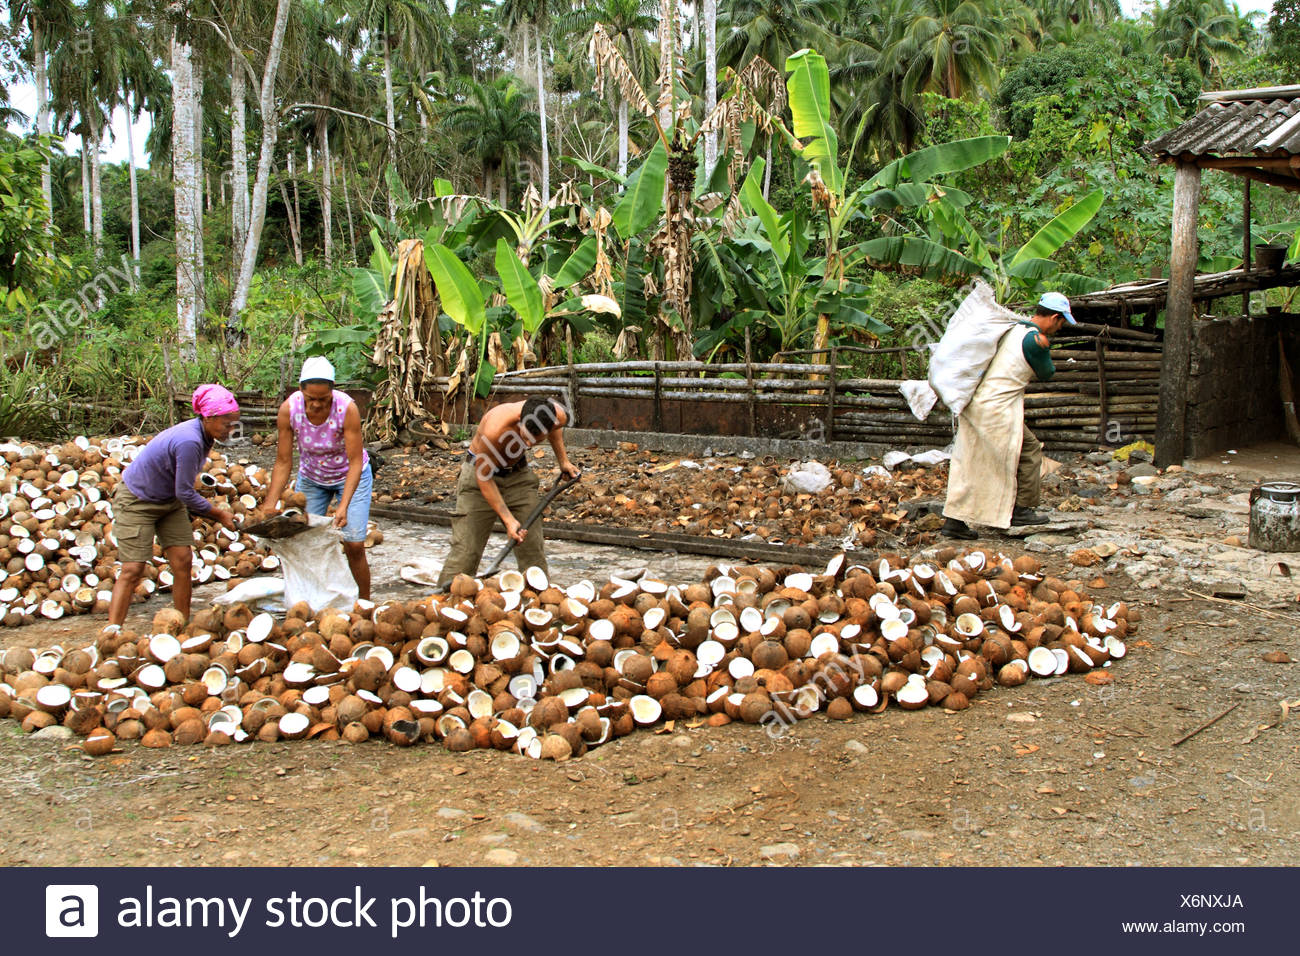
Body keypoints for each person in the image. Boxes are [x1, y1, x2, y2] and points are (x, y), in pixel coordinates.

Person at [941, 291, 1075, 540]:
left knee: (970, 461)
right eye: (1062, 321)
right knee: (1026, 451)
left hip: (979, 403)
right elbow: (1047, 373)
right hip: (997, 409)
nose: (1061, 327)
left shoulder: (1014, 330)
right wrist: (1046, 349)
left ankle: (955, 521)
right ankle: (1021, 510)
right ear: (1055, 317)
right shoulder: (1034, 341)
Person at [106, 384, 240, 626]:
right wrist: (220, 514)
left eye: (234, 424)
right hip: (138, 500)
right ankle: (111, 632)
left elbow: (181, 489)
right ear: (208, 418)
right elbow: (186, 492)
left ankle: (181, 623)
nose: (231, 430)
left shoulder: (206, 434)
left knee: (182, 560)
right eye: (227, 424)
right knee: (133, 569)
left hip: (169, 501)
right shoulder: (189, 440)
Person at [437, 396, 581, 586]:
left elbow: (555, 430)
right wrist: (508, 519)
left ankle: (537, 597)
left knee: (532, 544)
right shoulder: (495, 430)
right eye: (525, 437)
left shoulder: (557, 416)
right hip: (480, 477)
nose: (528, 445)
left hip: (518, 476)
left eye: (535, 440)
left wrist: (563, 461)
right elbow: (484, 477)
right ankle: (444, 599)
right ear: (520, 421)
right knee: (466, 549)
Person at [263, 356, 374, 600]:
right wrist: (270, 502)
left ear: (332, 393)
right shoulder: (289, 410)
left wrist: (343, 505)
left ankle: (364, 604)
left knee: (354, 544)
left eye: (322, 399)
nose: (315, 405)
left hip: (350, 475)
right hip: (312, 478)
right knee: (304, 540)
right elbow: (283, 461)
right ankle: (312, 599)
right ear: (300, 391)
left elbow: (355, 462)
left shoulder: (347, 408)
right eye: (310, 399)